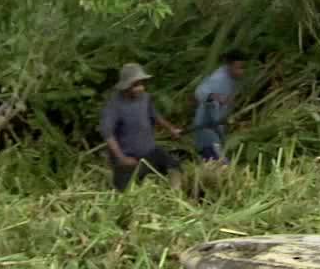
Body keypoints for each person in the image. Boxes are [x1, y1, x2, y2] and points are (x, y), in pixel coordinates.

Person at [100, 62, 185, 191]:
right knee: (125, 190)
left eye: (141, 84)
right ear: (126, 86)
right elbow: (107, 133)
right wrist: (122, 158)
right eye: (135, 85)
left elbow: (155, 116)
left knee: (174, 166)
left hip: (150, 151)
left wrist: (171, 129)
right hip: (129, 158)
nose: (140, 88)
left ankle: (175, 192)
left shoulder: (145, 98)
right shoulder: (114, 106)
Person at [192, 50, 247, 163]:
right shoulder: (218, 78)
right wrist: (214, 96)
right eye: (238, 68)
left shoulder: (233, 80)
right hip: (206, 127)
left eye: (243, 68)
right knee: (221, 163)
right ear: (229, 66)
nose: (241, 72)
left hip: (217, 128)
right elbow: (199, 92)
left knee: (215, 162)